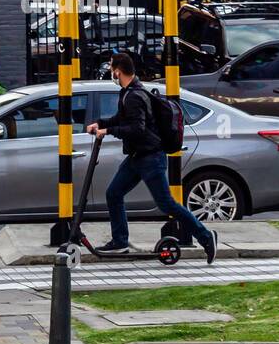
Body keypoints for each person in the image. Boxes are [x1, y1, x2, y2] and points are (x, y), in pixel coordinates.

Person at [85, 53, 219, 263]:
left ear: (118, 70)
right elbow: (122, 119)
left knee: (167, 204)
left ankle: (205, 236)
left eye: (112, 68)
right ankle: (120, 242)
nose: (111, 72)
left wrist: (108, 131)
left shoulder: (135, 95)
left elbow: (136, 129)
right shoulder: (128, 93)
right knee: (114, 193)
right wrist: (101, 123)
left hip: (150, 158)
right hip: (138, 157)